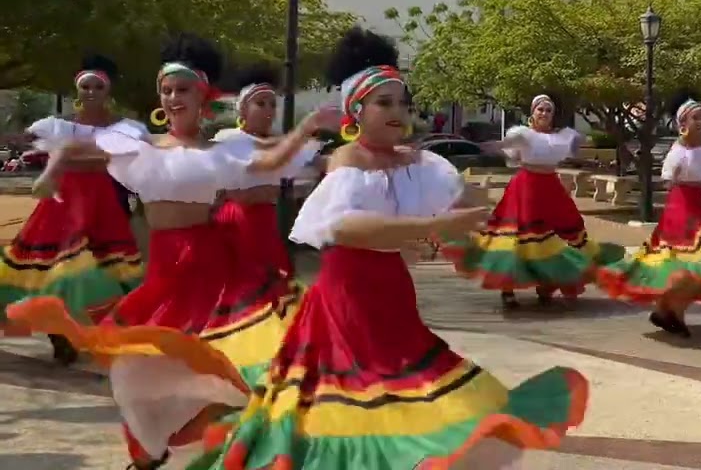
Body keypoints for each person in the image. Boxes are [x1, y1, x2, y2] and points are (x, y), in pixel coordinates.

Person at [175, 26, 589, 469]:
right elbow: (348, 228)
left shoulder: (418, 162)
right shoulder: (348, 159)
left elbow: (465, 204)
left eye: (403, 103)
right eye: (384, 103)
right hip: (346, 300)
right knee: (350, 408)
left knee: (413, 397)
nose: (398, 111)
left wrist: (471, 214)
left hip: (392, 295)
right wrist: (431, 223)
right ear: (356, 110)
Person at [5, 33, 338, 469]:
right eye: (167, 90)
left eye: (183, 90)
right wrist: (49, 175)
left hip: (212, 270)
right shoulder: (138, 146)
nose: (174, 97)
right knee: (134, 370)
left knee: (222, 365)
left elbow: (272, 164)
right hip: (164, 273)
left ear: (204, 98)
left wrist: (306, 128)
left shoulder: (218, 153)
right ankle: (153, 452)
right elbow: (73, 146)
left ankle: (216, 445)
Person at [0, 53, 147, 365]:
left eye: (98, 86)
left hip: (103, 203)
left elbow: (111, 158)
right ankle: (60, 333)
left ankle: (95, 335)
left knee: (102, 274)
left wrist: (63, 158)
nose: (91, 92)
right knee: (58, 272)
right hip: (61, 205)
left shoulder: (124, 128)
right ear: (77, 89)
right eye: (85, 86)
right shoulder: (57, 127)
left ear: (108, 91)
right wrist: (62, 156)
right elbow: (18, 138)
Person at [443, 93, 623, 309]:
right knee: (518, 238)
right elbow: (508, 144)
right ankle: (507, 290)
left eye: (548, 110)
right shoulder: (524, 134)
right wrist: (493, 145)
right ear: (532, 112)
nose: (544, 113)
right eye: (540, 109)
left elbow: (579, 144)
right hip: (526, 187)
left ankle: (546, 284)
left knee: (561, 233)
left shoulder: (561, 137)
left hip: (550, 188)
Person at [596, 91, 701, 337]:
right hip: (680, 207)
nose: (700, 122)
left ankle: (666, 310)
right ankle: (672, 312)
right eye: (695, 118)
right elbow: (669, 182)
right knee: (682, 260)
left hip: (698, 204)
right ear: (682, 124)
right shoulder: (677, 152)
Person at [212, 62, 325, 281]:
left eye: (273, 105)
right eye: (261, 104)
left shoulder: (281, 143)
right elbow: (263, 165)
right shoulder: (230, 138)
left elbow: (314, 164)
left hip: (265, 223)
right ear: (243, 109)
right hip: (235, 222)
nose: (269, 110)